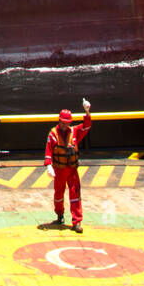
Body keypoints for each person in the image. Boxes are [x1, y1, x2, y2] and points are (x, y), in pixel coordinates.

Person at [41, 99, 92, 232]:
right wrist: (49, 166)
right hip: (59, 170)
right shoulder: (53, 134)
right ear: (59, 121)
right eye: (63, 123)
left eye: (67, 123)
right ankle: (60, 215)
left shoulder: (74, 132)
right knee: (58, 194)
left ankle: (77, 222)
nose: (65, 125)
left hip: (72, 170)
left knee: (75, 194)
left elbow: (86, 127)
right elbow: (48, 151)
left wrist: (87, 112)